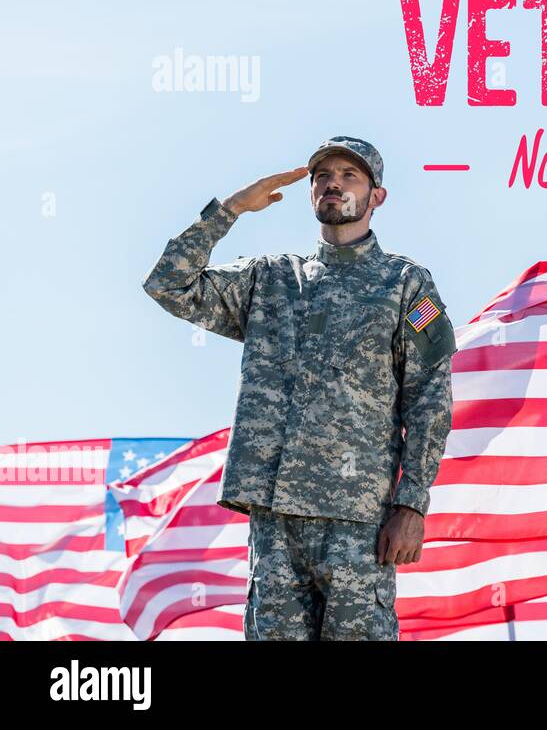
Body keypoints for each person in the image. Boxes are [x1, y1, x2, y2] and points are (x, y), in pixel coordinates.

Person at [142, 136, 457, 640]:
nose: (333, 183)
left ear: (377, 196)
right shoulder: (269, 279)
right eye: (323, 175)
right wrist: (229, 211)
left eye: (349, 175)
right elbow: (168, 285)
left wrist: (412, 502)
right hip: (274, 520)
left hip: (357, 521)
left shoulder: (406, 285)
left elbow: (429, 399)